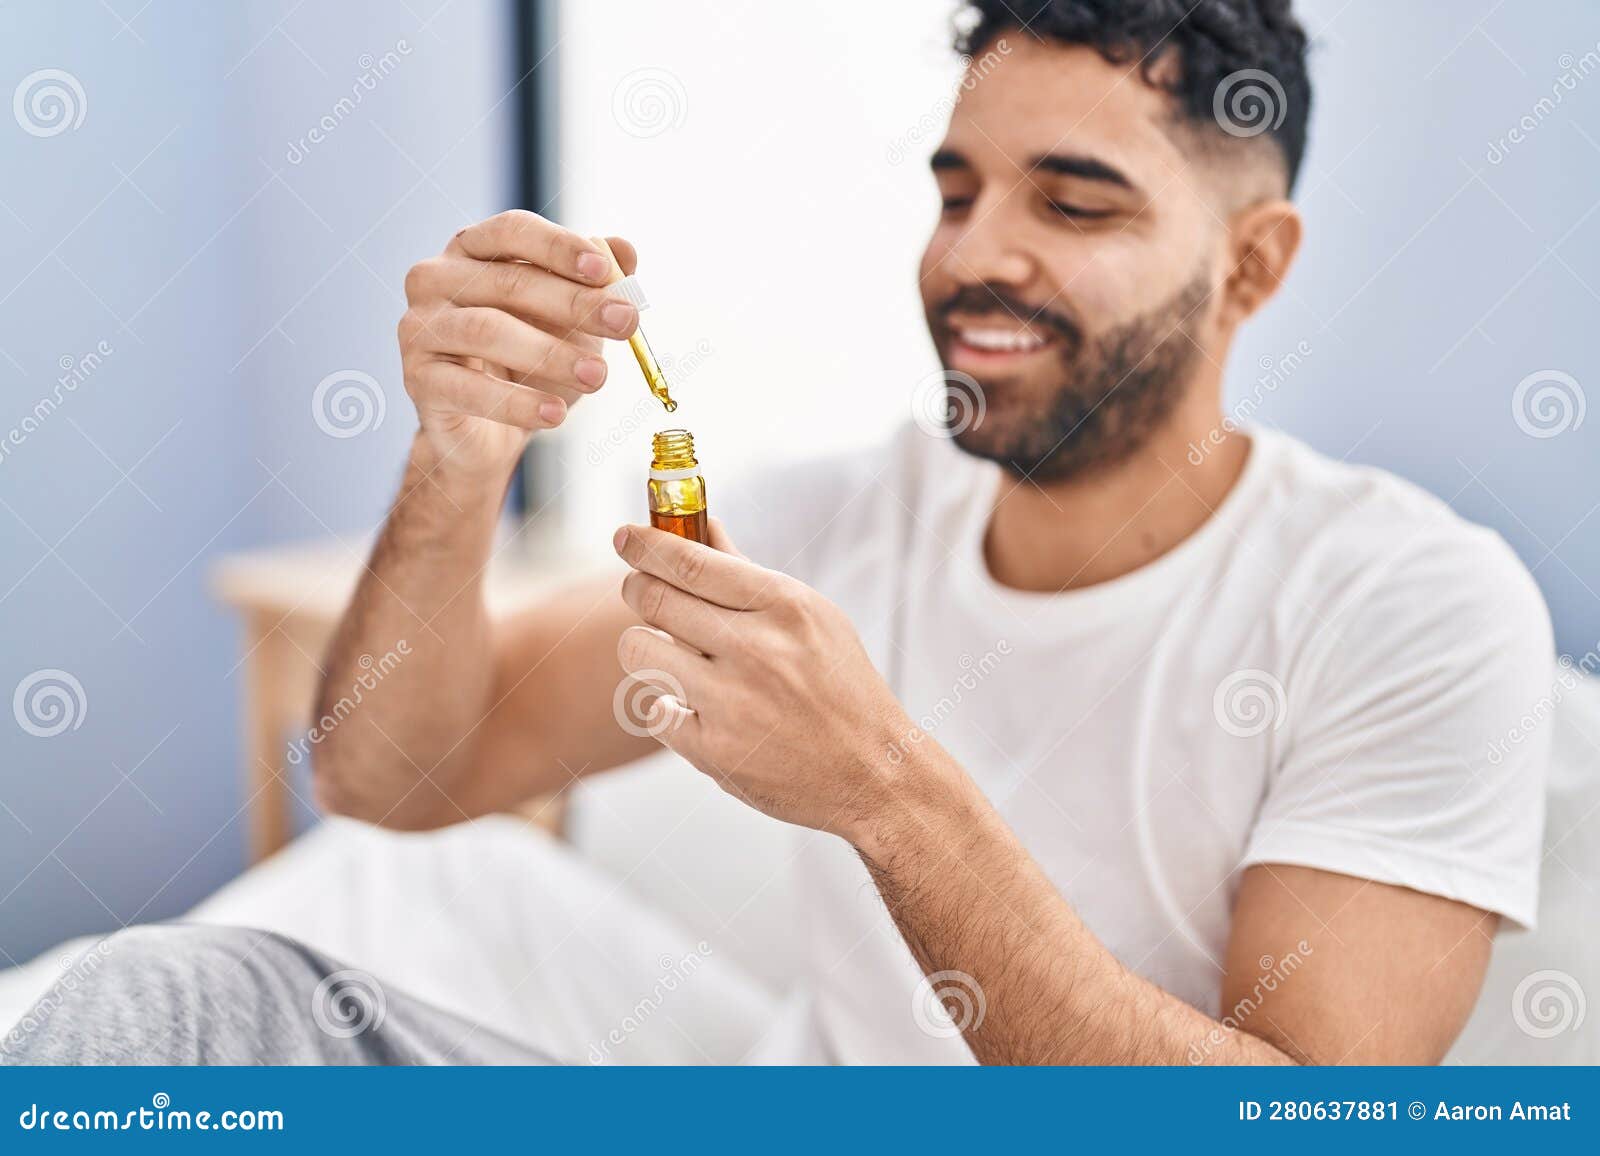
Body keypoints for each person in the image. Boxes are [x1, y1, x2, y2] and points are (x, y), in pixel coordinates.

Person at [3, 0, 1553, 1066]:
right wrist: (460, 460)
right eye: (958, 193)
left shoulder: (1408, 605)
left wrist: (883, 790)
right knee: (170, 1011)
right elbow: (394, 775)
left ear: (1254, 266)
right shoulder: (837, 517)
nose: (979, 258)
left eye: (1076, 207)